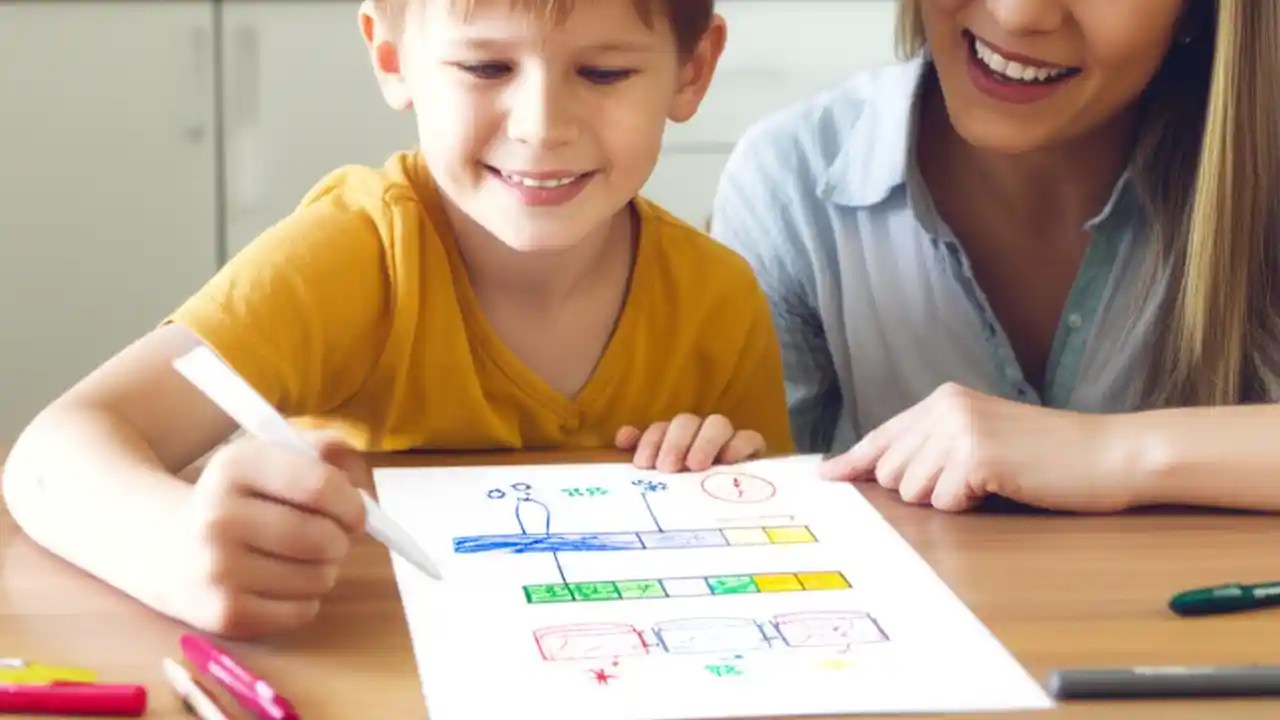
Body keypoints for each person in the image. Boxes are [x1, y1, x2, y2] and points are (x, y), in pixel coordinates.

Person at [1, 0, 794, 639]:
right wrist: (173, 546)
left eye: (605, 71)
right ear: (391, 53)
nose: (541, 125)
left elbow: (777, 528)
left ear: (692, 72)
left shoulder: (717, 295)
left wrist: (728, 476)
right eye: (486, 66)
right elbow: (47, 457)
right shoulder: (357, 254)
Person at [712, 0, 1279, 514]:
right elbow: (744, 498)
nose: (1018, 15)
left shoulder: (1262, 178)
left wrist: (1107, 453)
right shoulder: (791, 175)